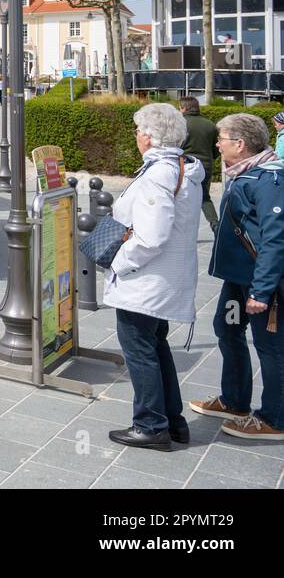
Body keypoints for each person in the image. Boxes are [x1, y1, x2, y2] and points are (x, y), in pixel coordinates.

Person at [103, 102, 204, 451]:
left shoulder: (158, 175)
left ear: (148, 137)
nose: (135, 136)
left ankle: (150, 425)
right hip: (163, 281)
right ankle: (173, 422)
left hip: (144, 283)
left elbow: (152, 237)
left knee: (140, 352)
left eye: (137, 131)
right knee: (157, 348)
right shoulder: (181, 169)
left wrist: (119, 263)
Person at [190, 113, 284, 441]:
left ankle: (275, 417)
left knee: (271, 346)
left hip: (260, 284)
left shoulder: (269, 179)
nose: (217, 145)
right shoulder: (244, 173)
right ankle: (234, 401)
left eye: (222, 140)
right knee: (227, 329)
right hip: (238, 278)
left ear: (240, 145)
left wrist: (262, 291)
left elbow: (275, 239)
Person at [179, 97, 220, 235]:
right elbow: (216, 149)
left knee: (181, 198)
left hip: (184, 166)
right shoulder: (210, 125)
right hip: (206, 165)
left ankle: (185, 231)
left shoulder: (180, 124)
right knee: (204, 197)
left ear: (184, 108)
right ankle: (215, 224)